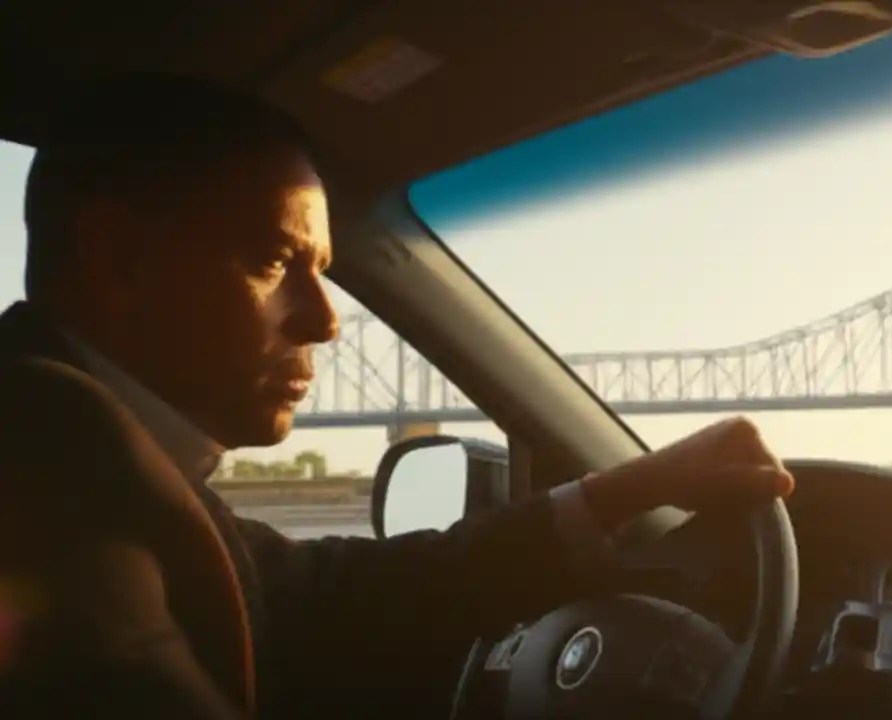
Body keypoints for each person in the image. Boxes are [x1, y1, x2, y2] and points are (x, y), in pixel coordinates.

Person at [0, 73, 794, 718]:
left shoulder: (98, 461)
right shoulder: (50, 494)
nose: (324, 322)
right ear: (120, 259)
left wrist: (631, 489)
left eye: (324, 273)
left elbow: (318, 598)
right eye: (277, 263)